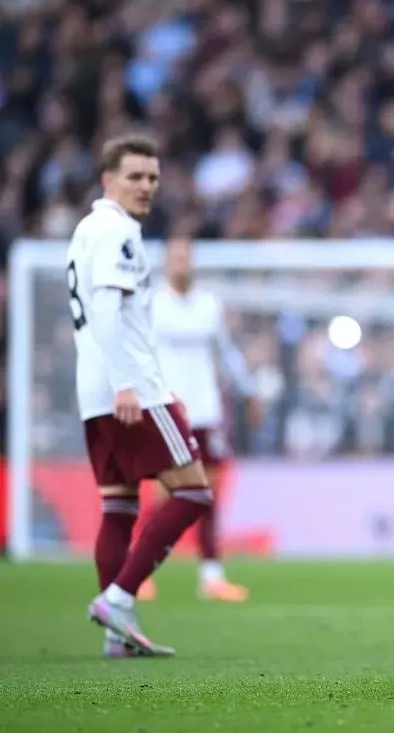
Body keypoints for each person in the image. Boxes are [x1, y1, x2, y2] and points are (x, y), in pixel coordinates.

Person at [66, 134, 213, 657]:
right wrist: (128, 382)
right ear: (107, 178)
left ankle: (117, 637)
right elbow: (108, 310)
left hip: (93, 392)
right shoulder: (118, 232)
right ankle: (118, 597)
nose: (146, 186)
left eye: (152, 177)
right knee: (194, 492)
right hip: (130, 389)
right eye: (135, 176)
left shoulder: (86, 230)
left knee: (119, 506)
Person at [140, 236, 261, 603]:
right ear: (166, 263)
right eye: (175, 257)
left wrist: (249, 391)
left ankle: (211, 577)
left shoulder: (208, 305)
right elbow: (138, 356)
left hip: (206, 413)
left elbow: (226, 353)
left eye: (186, 257)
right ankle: (139, 572)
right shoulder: (152, 305)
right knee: (166, 494)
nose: (181, 263)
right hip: (168, 413)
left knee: (207, 495)